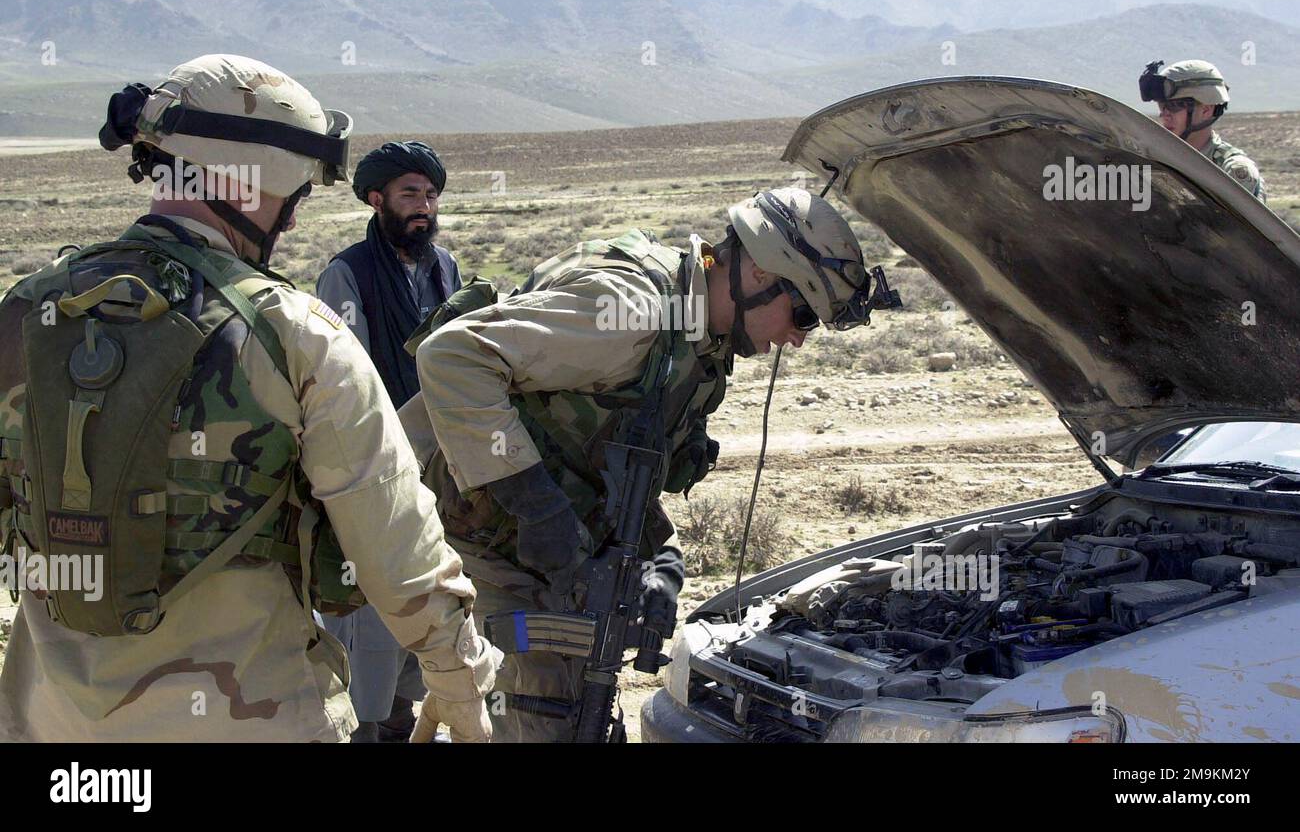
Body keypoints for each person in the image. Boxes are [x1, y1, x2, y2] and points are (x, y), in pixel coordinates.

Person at [0, 54, 498, 742]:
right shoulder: (293, 336)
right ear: (251, 177)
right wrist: (463, 687)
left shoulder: (26, 313)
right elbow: (401, 555)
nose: (291, 225)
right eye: (292, 199)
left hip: (50, 731)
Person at [410, 186, 890, 741]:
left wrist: (658, 558)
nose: (798, 339)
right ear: (759, 273)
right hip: (476, 524)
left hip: (535, 534)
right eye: (802, 313)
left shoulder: (697, 345)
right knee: (547, 715)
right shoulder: (633, 312)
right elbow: (452, 356)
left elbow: (615, 461)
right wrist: (537, 507)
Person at [313, 141, 462, 742]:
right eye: (410, 195)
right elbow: (345, 384)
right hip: (374, 473)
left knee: (431, 603)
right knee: (370, 614)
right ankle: (363, 728)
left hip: (442, 465)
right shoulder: (346, 274)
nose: (423, 207)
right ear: (377, 200)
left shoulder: (443, 267)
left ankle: (406, 718)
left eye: (430, 196)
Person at [1139, 59, 1267, 202]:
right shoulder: (1154, 162)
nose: (1165, 115)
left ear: (1206, 109)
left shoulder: (1232, 171)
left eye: (1175, 106)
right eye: (1162, 106)